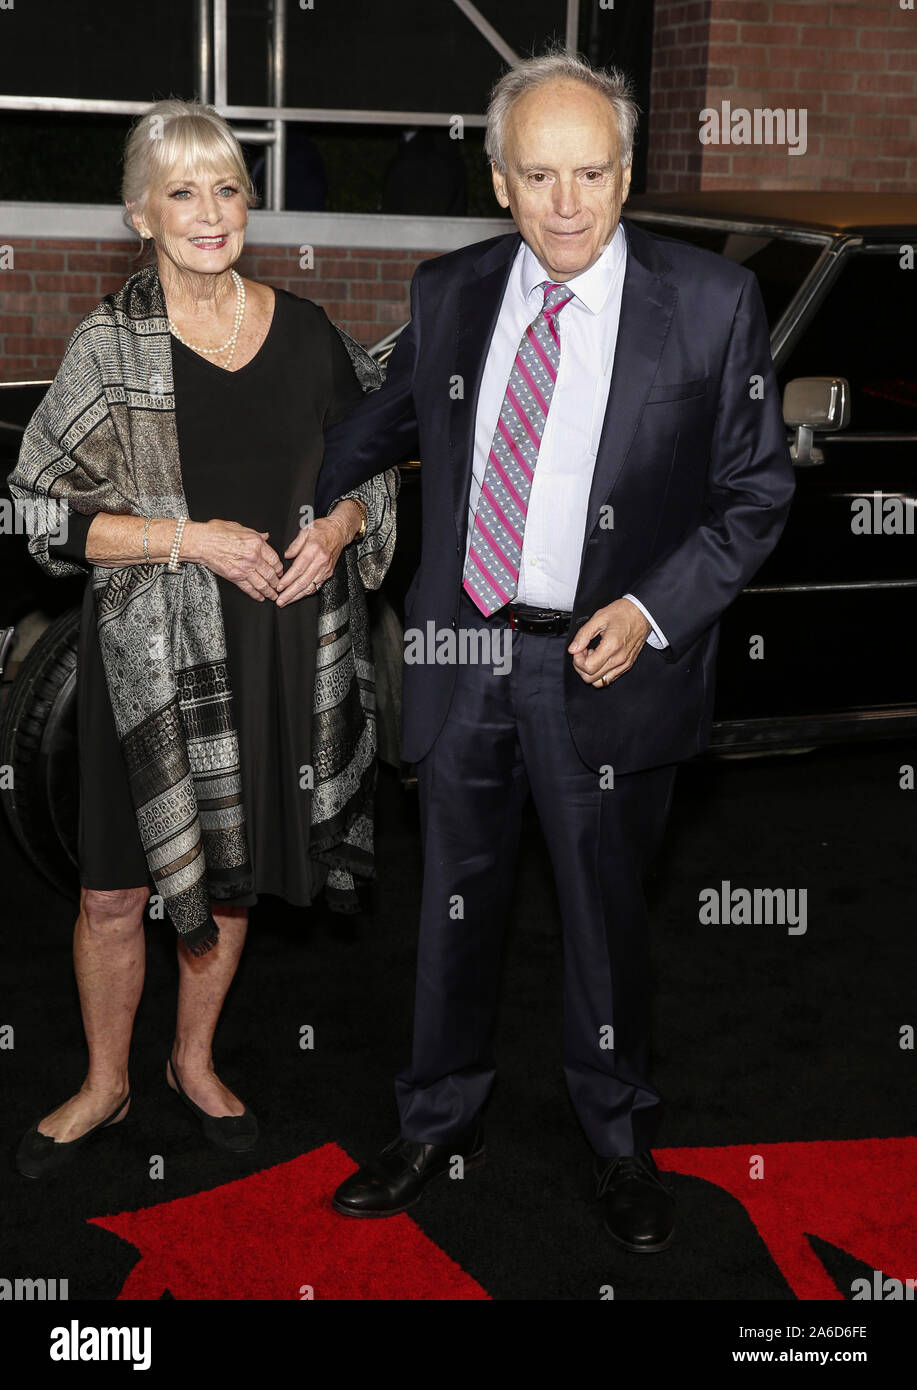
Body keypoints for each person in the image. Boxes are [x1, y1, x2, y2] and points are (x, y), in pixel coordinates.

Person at [310, 51, 795, 1251]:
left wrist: (648, 610)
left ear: (625, 174)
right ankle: (434, 1117)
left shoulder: (707, 304)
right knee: (451, 903)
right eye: (539, 174)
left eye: (590, 172)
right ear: (497, 180)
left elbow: (752, 494)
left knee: (602, 916)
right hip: (464, 648)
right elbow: (373, 430)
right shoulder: (451, 292)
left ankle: (617, 1137)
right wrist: (295, 501)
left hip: (610, 663)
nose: (567, 202)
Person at [8, 99, 397, 1178]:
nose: (209, 210)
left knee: (227, 877)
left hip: (275, 648)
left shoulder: (310, 332)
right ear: (141, 211)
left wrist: (340, 526)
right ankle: (103, 1081)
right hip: (148, 668)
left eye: (226, 185)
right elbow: (39, 512)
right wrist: (190, 540)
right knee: (111, 888)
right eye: (182, 190)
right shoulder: (107, 344)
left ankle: (190, 1060)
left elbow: (372, 464)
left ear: (249, 200)